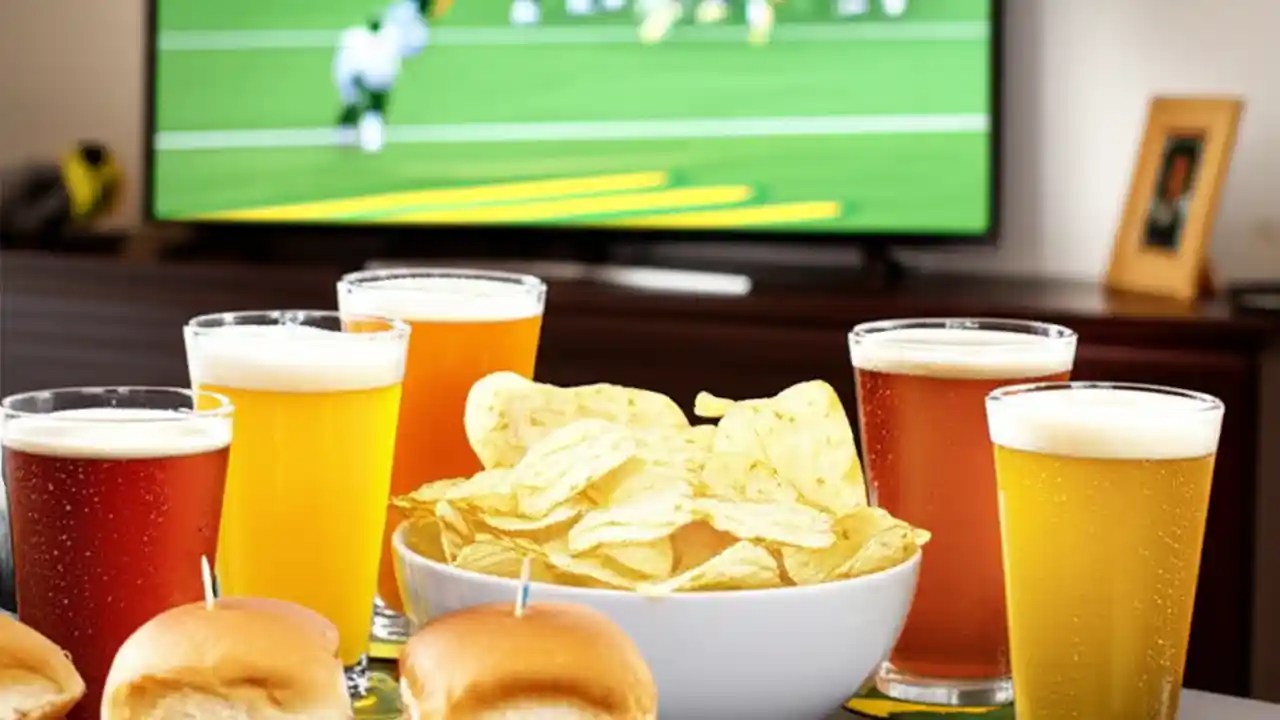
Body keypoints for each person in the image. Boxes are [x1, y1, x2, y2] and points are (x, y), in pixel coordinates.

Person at [333, 18, 403, 153]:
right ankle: (351, 139)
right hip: (365, 79)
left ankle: (364, 140)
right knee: (360, 106)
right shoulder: (360, 37)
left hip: (372, 80)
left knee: (368, 108)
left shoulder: (381, 38)